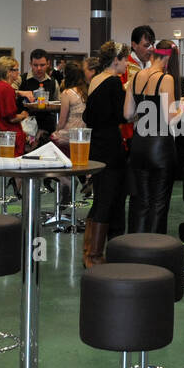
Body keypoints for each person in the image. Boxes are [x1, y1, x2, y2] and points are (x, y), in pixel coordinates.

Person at [125, 39, 184, 234]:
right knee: (159, 203)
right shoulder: (166, 79)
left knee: (141, 202)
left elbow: (127, 114)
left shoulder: (135, 77)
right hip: (160, 146)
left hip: (138, 144)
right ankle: (154, 252)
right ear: (169, 59)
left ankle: (135, 250)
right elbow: (170, 118)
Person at [82, 41, 130, 267]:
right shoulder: (112, 82)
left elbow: (88, 117)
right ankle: (94, 255)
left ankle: (91, 250)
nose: (127, 63)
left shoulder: (95, 81)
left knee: (103, 196)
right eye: (125, 59)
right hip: (110, 146)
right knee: (109, 198)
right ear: (116, 59)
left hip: (96, 145)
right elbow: (124, 115)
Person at [20, 48, 59, 149]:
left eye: (42, 65)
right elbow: (9, 93)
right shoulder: (22, 79)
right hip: (26, 129)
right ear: (30, 64)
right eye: (35, 65)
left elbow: (58, 104)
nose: (39, 68)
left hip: (46, 129)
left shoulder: (53, 82)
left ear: (48, 64)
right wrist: (20, 93)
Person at [50, 60, 88, 150]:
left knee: (51, 137)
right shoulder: (85, 91)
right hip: (83, 132)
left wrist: (56, 130)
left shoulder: (67, 93)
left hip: (71, 133)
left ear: (66, 75)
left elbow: (62, 121)